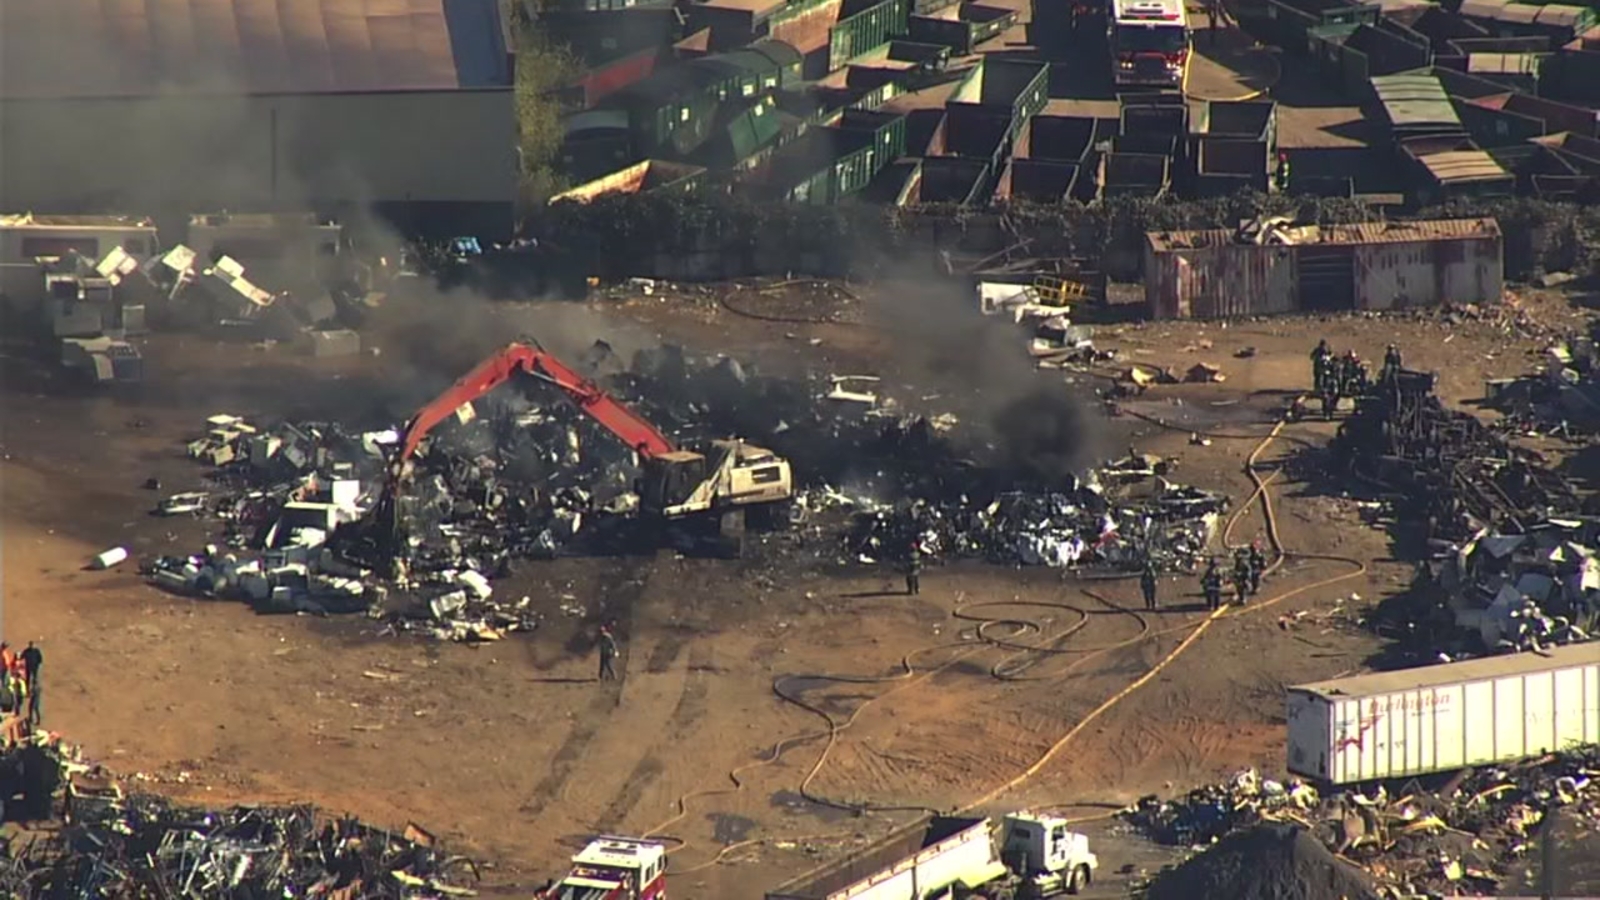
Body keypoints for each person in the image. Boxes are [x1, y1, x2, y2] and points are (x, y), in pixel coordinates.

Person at [20, 642, 41, 726]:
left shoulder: (36, 651)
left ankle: (33, 720)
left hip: (34, 667)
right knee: (35, 709)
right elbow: (22, 656)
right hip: (29, 667)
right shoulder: (28, 651)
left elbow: (40, 659)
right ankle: (35, 720)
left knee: (33, 708)